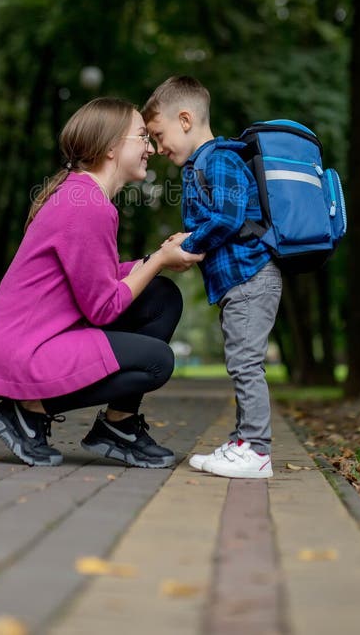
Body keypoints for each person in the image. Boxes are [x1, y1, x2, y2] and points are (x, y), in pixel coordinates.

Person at [0, 97, 204, 469]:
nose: (149, 148)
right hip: (23, 352)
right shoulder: (87, 205)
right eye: (141, 137)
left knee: (161, 296)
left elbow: (99, 276)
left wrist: (156, 260)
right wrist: (160, 260)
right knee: (157, 362)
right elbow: (102, 308)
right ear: (112, 146)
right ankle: (27, 413)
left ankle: (119, 427)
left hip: (34, 340)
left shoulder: (82, 194)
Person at [142, 76, 282, 478]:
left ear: (185, 119)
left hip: (251, 277)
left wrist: (191, 243)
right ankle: (243, 442)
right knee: (241, 361)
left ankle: (256, 450)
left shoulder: (219, 159)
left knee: (245, 363)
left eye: (159, 134)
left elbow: (228, 216)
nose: (157, 146)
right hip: (238, 282)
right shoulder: (202, 165)